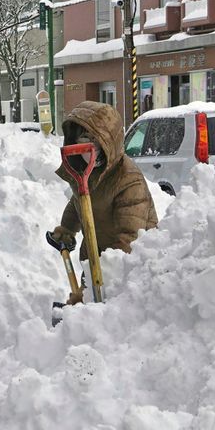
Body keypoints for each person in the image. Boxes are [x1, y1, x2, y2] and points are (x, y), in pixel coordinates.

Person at [50, 101, 158, 304]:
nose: (89, 146)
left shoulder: (128, 180)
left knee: (108, 311)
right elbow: (78, 201)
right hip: (95, 254)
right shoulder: (87, 171)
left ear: (109, 142)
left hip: (129, 265)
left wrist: (102, 278)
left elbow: (130, 238)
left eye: (95, 139)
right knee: (86, 308)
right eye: (84, 137)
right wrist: (67, 229)